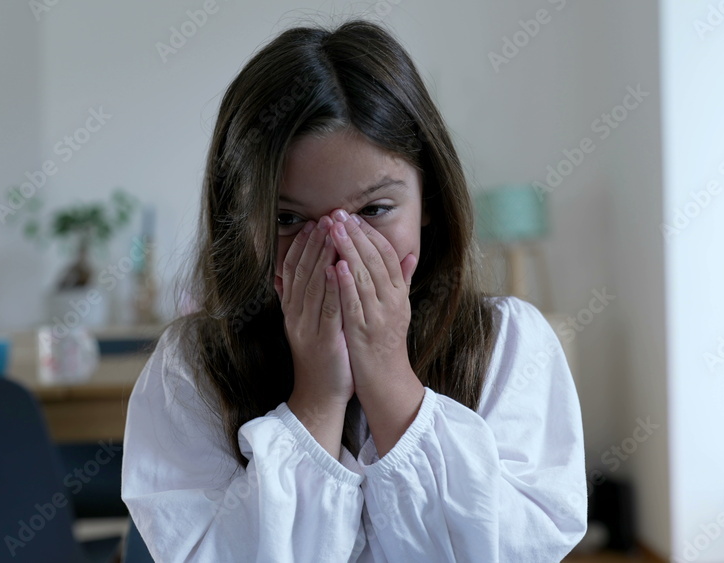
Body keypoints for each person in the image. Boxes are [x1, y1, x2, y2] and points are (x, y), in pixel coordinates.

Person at [121, 18, 587, 562]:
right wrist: (317, 400)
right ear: (241, 220)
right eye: (289, 219)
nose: (340, 253)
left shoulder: (507, 342)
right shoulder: (192, 367)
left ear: (429, 200)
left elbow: (516, 547)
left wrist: (389, 375)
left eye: (374, 210)